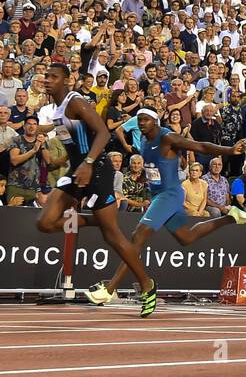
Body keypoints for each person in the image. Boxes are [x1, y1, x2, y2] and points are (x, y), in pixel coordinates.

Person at [84, 108, 246, 304]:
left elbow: (200, 146)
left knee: (137, 236)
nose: (141, 123)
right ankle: (232, 217)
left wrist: (229, 150)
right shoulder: (144, 140)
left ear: (155, 121)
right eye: (139, 120)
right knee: (186, 237)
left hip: (170, 194)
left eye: (145, 120)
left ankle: (109, 290)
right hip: (158, 194)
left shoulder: (168, 138)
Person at [34, 62, 157, 317]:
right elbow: (74, 143)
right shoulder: (55, 109)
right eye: (46, 76)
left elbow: (102, 132)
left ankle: (147, 285)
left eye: (53, 76)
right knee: (45, 222)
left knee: (113, 236)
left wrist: (89, 163)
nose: (47, 79)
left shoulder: (75, 102)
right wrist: (79, 165)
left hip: (97, 169)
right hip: (77, 171)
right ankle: (94, 221)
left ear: (66, 80)